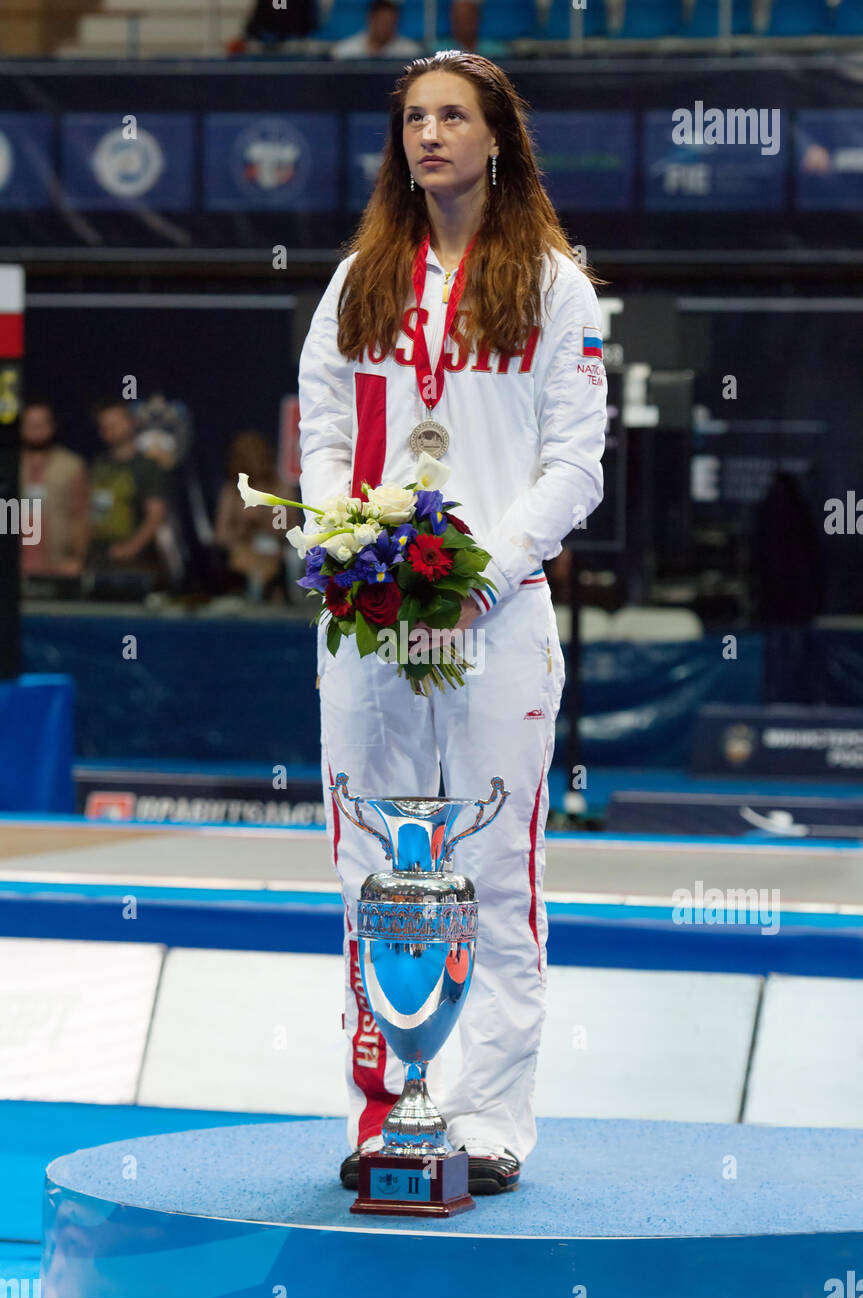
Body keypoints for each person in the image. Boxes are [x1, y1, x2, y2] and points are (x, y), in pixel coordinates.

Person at [297, 50, 607, 1195]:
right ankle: (387, 1112)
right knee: (367, 865)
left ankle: (487, 1121)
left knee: (493, 867)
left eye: (453, 117)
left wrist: (486, 566)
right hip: (369, 616)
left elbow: (576, 465)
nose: (430, 135)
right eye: (415, 118)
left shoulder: (551, 283)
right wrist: (336, 530)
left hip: (494, 615)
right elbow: (322, 424)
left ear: (496, 139)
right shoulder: (360, 278)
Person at [86, 399, 169, 595]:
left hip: (132, 562)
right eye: (105, 425)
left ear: (132, 423)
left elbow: (156, 515)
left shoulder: (148, 467)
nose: (110, 429)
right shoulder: (98, 465)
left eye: (116, 423)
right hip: (94, 556)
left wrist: (130, 548)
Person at [215, 431, 292, 601]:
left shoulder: (281, 489)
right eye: (246, 456)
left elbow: (288, 529)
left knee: (269, 555)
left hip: (274, 549)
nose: (253, 461)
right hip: (242, 549)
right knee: (241, 556)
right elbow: (221, 535)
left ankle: (268, 589)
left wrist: (263, 523)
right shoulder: (231, 492)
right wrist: (243, 528)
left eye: (257, 455)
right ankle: (253, 590)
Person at [19, 398, 89, 582]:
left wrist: (77, 560)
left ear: (52, 426)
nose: (35, 428)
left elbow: (81, 515)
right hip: (13, 566)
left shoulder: (71, 465)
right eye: (30, 423)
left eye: (41, 423)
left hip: (57, 564)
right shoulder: (8, 465)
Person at [331, 1, 422, 60]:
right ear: (370, 19)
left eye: (390, 23)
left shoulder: (410, 52)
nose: (385, 28)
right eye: (381, 22)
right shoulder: (345, 51)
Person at [435, 2, 508, 60]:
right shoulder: (438, 52)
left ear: (478, 18)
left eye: (469, 19)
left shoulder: (496, 51)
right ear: (452, 20)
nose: (464, 25)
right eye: (460, 20)